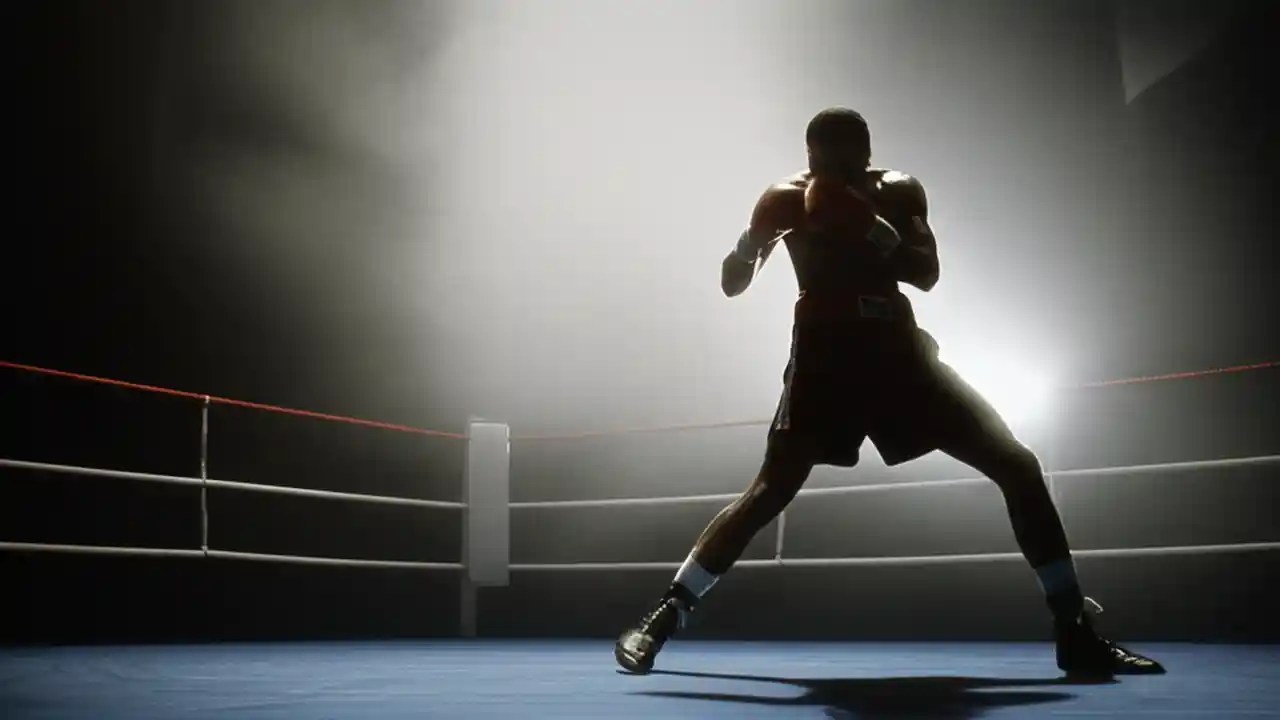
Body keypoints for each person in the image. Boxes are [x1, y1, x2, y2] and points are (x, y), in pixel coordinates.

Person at [614, 107, 1164, 678]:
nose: (833, 173)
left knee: (1018, 464)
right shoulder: (784, 198)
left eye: (845, 162)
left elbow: (926, 273)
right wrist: (752, 239)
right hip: (825, 358)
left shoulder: (897, 191)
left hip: (897, 352)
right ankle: (665, 614)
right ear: (808, 158)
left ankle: (1074, 630)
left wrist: (873, 230)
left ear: (866, 154)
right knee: (770, 489)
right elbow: (733, 284)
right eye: (823, 162)